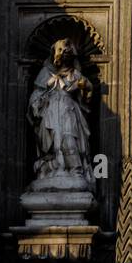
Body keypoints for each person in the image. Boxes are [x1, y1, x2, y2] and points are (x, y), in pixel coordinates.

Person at [27, 37, 93, 183]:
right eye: (62, 53)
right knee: (52, 143)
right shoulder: (46, 73)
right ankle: (53, 169)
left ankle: (76, 171)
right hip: (50, 112)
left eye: (68, 54)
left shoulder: (75, 74)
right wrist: (42, 96)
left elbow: (87, 96)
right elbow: (35, 95)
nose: (64, 58)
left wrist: (84, 89)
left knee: (69, 139)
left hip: (68, 110)